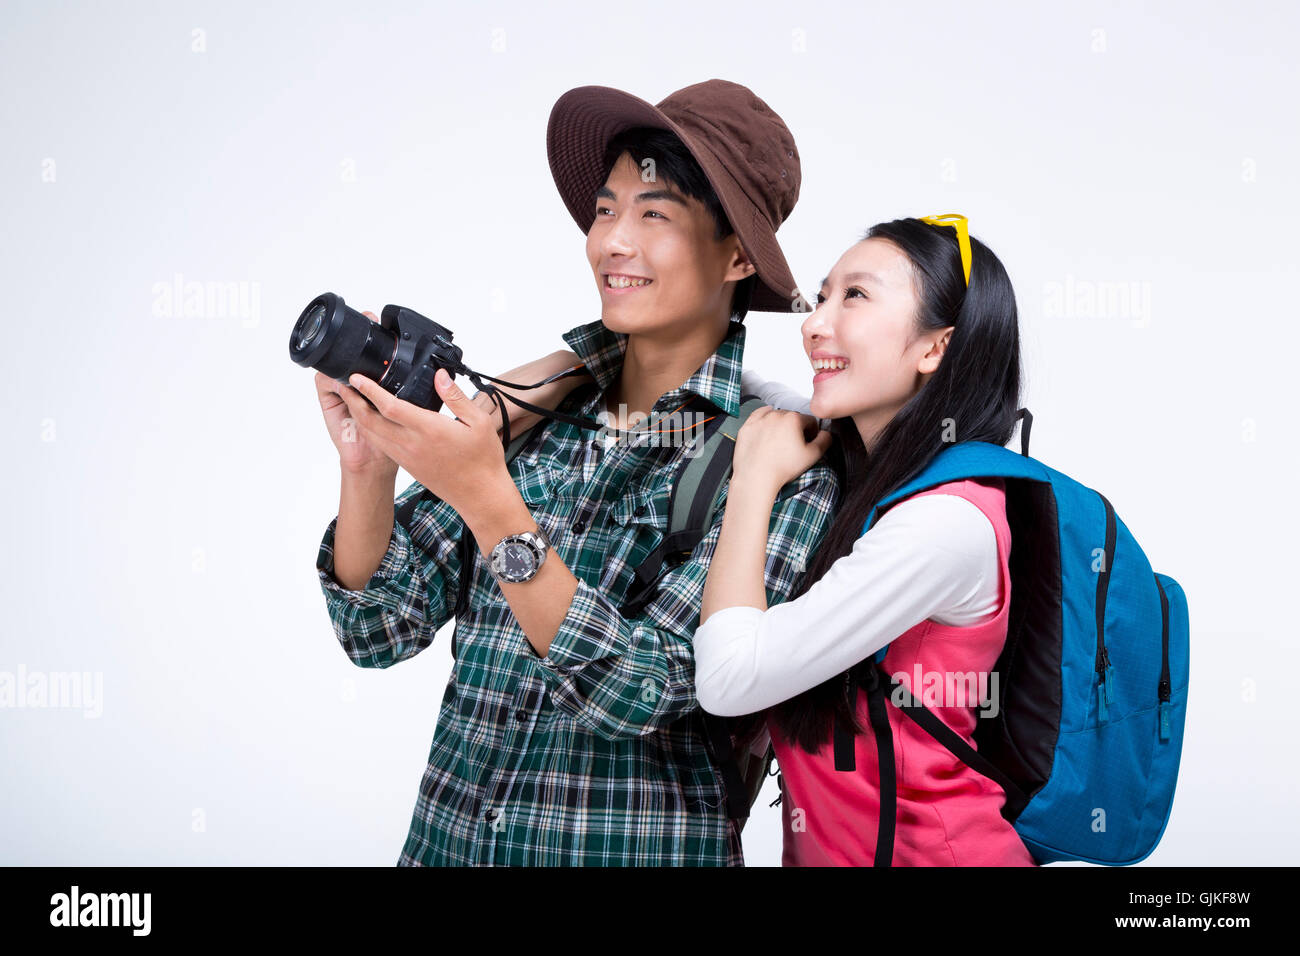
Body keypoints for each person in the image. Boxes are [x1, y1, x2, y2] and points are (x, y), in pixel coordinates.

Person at [311, 79, 839, 866]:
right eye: (605, 209)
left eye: (653, 214)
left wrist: (493, 504)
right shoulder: (526, 417)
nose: (611, 242)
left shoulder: (779, 464)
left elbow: (644, 689)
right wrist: (367, 467)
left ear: (736, 254)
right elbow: (377, 627)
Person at [693, 215, 1037, 866]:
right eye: (822, 296)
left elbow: (730, 678)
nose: (814, 322)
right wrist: (572, 366)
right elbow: (747, 394)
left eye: (855, 296)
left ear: (934, 347)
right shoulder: (875, 477)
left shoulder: (943, 524)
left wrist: (755, 481)